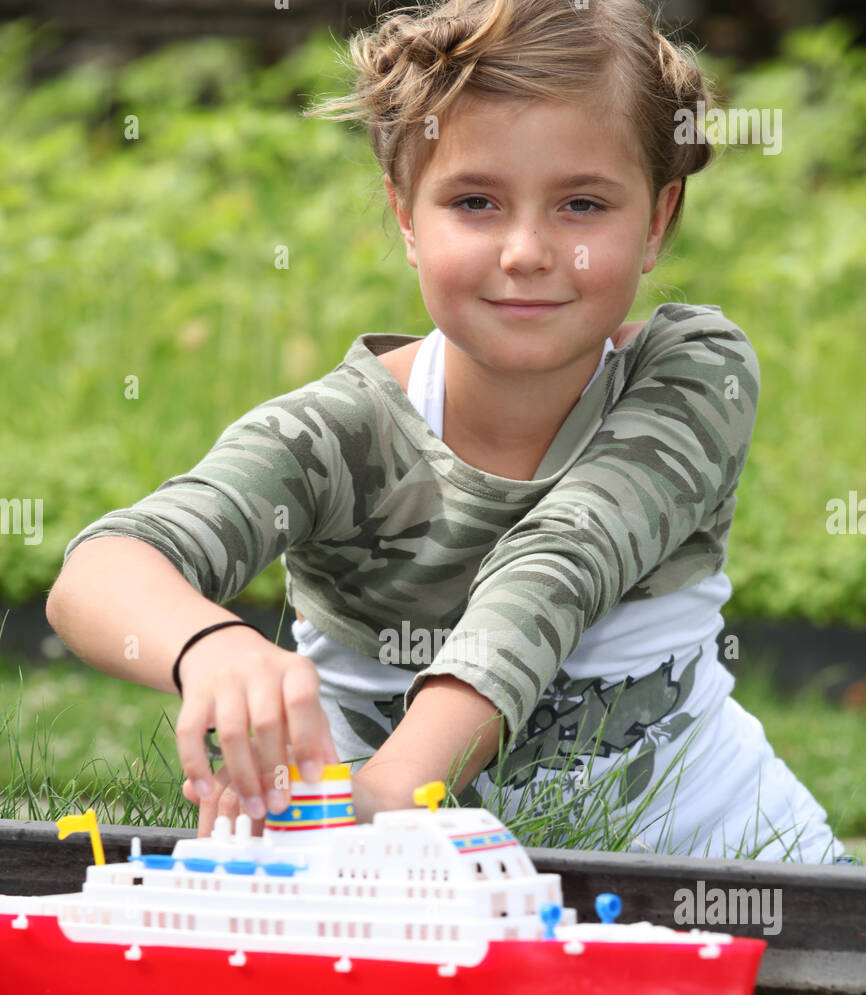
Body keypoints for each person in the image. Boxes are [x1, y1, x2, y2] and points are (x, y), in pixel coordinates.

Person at [46, 0, 848, 861]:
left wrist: (393, 791)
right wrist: (213, 645)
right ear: (405, 217)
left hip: (729, 871)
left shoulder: (699, 372)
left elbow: (559, 564)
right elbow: (101, 572)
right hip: (398, 896)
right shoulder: (337, 433)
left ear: (657, 221)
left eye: (582, 204)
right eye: (475, 202)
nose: (528, 252)